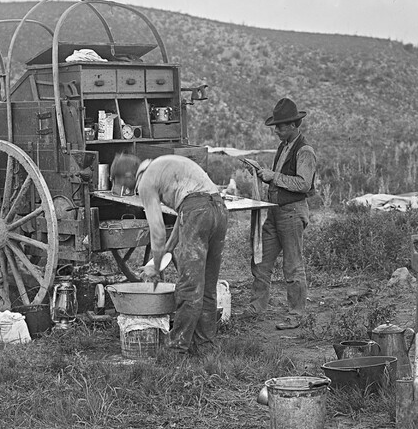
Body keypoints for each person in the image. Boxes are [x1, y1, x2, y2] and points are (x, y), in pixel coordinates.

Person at [109, 153, 229, 356]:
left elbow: (157, 231)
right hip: (219, 209)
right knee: (207, 286)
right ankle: (205, 346)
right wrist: (168, 250)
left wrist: (156, 266)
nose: (123, 187)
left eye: (120, 181)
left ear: (130, 174)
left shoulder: (146, 181)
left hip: (198, 212)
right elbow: (186, 210)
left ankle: (176, 349)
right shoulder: (160, 166)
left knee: (189, 287)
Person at [245, 97, 318, 330]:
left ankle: (296, 314)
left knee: (293, 265)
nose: (276, 130)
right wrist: (260, 172)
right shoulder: (284, 146)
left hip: (292, 212)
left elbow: (303, 185)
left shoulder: (304, 151)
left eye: (280, 126)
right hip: (276, 213)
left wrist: (272, 176)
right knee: (261, 261)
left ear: (294, 126)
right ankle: (257, 306)